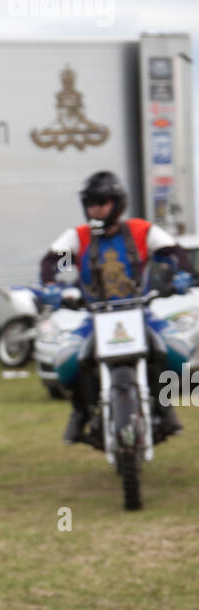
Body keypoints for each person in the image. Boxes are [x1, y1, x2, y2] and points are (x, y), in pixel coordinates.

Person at [40, 172, 193, 442]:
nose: (95, 208)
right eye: (90, 202)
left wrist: (181, 272)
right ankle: (81, 412)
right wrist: (53, 285)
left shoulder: (141, 231)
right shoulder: (79, 237)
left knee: (177, 354)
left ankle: (163, 405)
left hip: (142, 314)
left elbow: (173, 253)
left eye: (101, 201)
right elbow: (56, 263)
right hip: (95, 318)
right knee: (66, 363)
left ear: (118, 203)